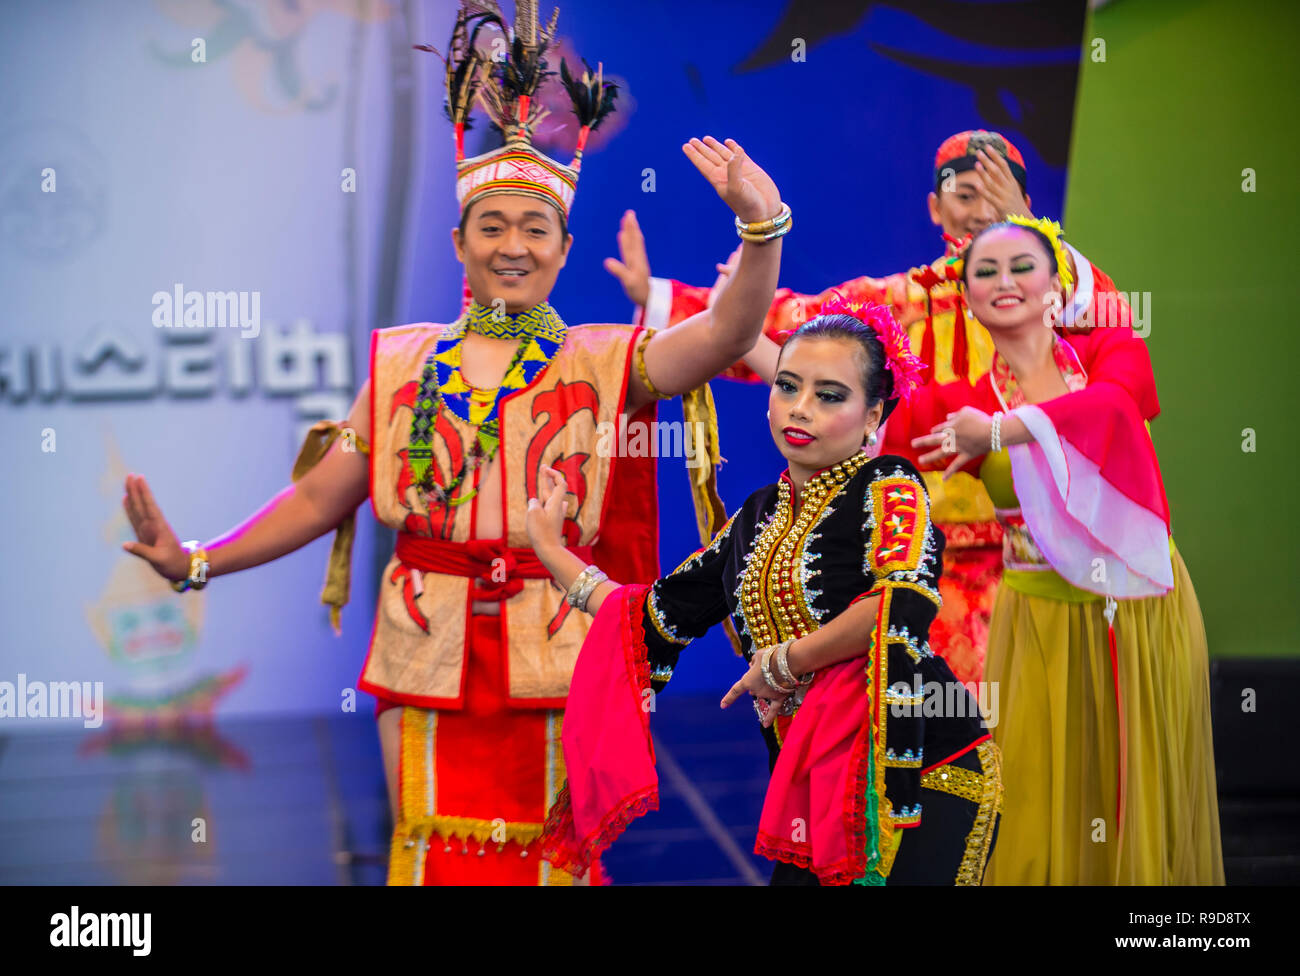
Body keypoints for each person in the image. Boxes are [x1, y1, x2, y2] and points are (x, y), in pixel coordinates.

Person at [119, 2, 790, 885]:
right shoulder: (400, 364)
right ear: (460, 244)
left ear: (562, 249)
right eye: (492, 229)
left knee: (555, 858)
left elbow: (728, 335)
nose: (513, 246)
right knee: (434, 855)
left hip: (555, 650)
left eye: (534, 229)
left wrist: (761, 225)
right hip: (422, 647)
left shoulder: (602, 358)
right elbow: (324, 496)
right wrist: (197, 562)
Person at [608, 131, 1130, 692]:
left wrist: (1024, 232)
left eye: (1000, 197)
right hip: (930, 552)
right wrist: (661, 297)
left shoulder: (1057, 293)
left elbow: (1111, 316)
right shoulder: (903, 300)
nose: (983, 212)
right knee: (945, 723)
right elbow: (790, 328)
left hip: (1044, 556)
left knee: (1045, 727)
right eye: (967, 194)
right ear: (936, 207)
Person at [527, 299, 1002, 886]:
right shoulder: (755, 518)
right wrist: (552, 550)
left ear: (873, 413)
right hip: (813, 782)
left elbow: (898, 604)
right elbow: (652, 614)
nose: (799, 408)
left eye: (830, 395)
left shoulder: (890, 484)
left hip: (920, 773)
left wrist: (781, 663)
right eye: (787, 386)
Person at [909, 216, 1224, 884]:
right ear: (966, 298)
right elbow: (857, 417)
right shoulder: (964, 404)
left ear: (1058, 284)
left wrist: (1001, 431)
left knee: (1133, 790)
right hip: (1037, 620)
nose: (1005, 281)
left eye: (1023, 265)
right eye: (985, 271)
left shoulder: (1107, 349)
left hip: (1136, 605)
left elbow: (1117, 409)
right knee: (1035, 794)